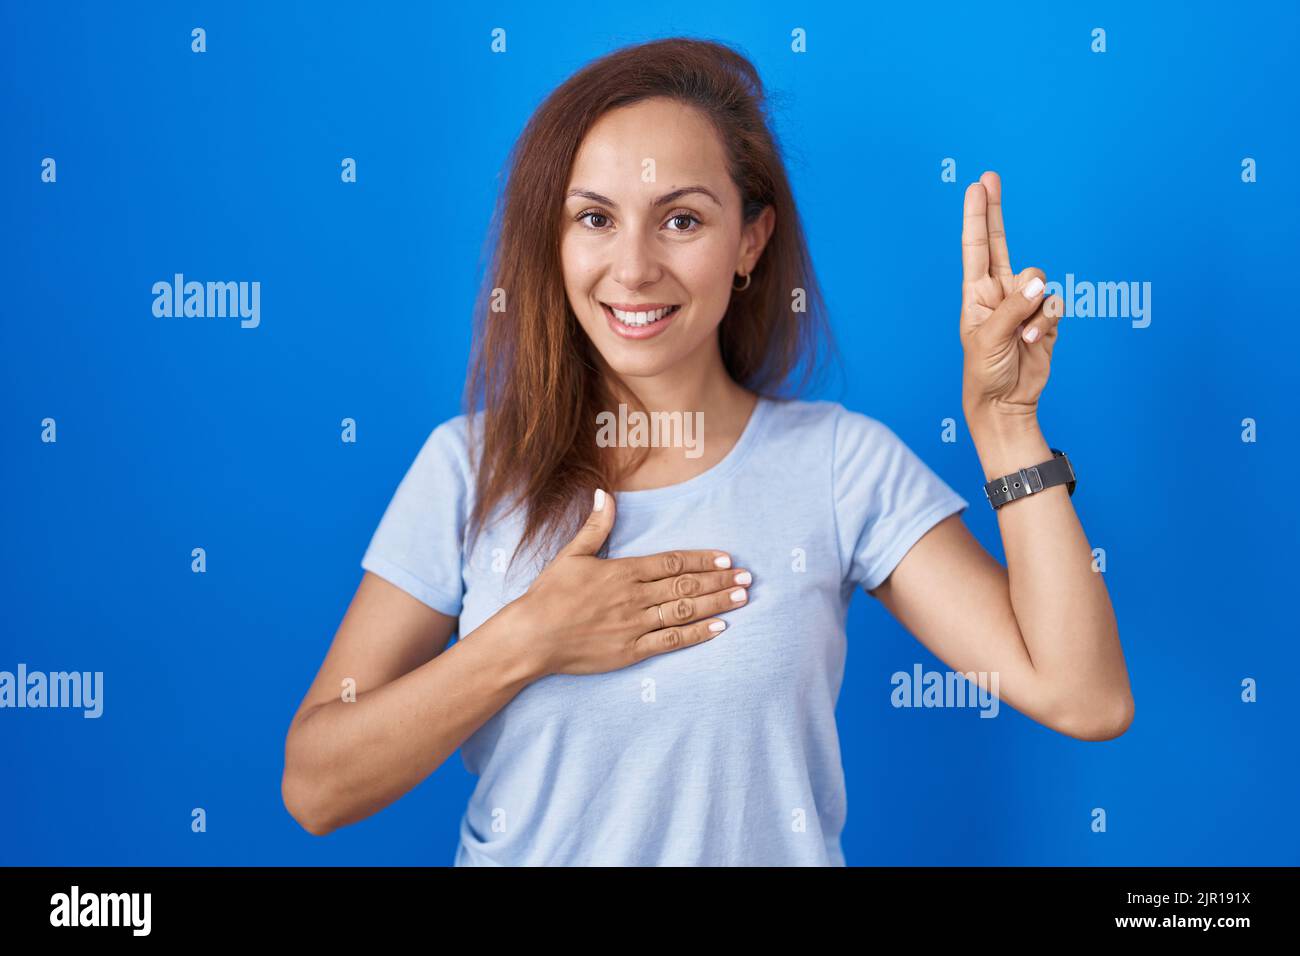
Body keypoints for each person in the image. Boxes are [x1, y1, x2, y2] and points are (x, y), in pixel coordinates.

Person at [281, 37, 1133, 866]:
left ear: (750, 244)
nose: (634, 267)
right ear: (555, 237)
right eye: (595, 219)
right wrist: (528, 639)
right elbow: (317, 787)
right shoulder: (468, 468)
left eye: (681, 219)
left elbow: (1082, 695)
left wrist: (1007, 423)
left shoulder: (839, 465)